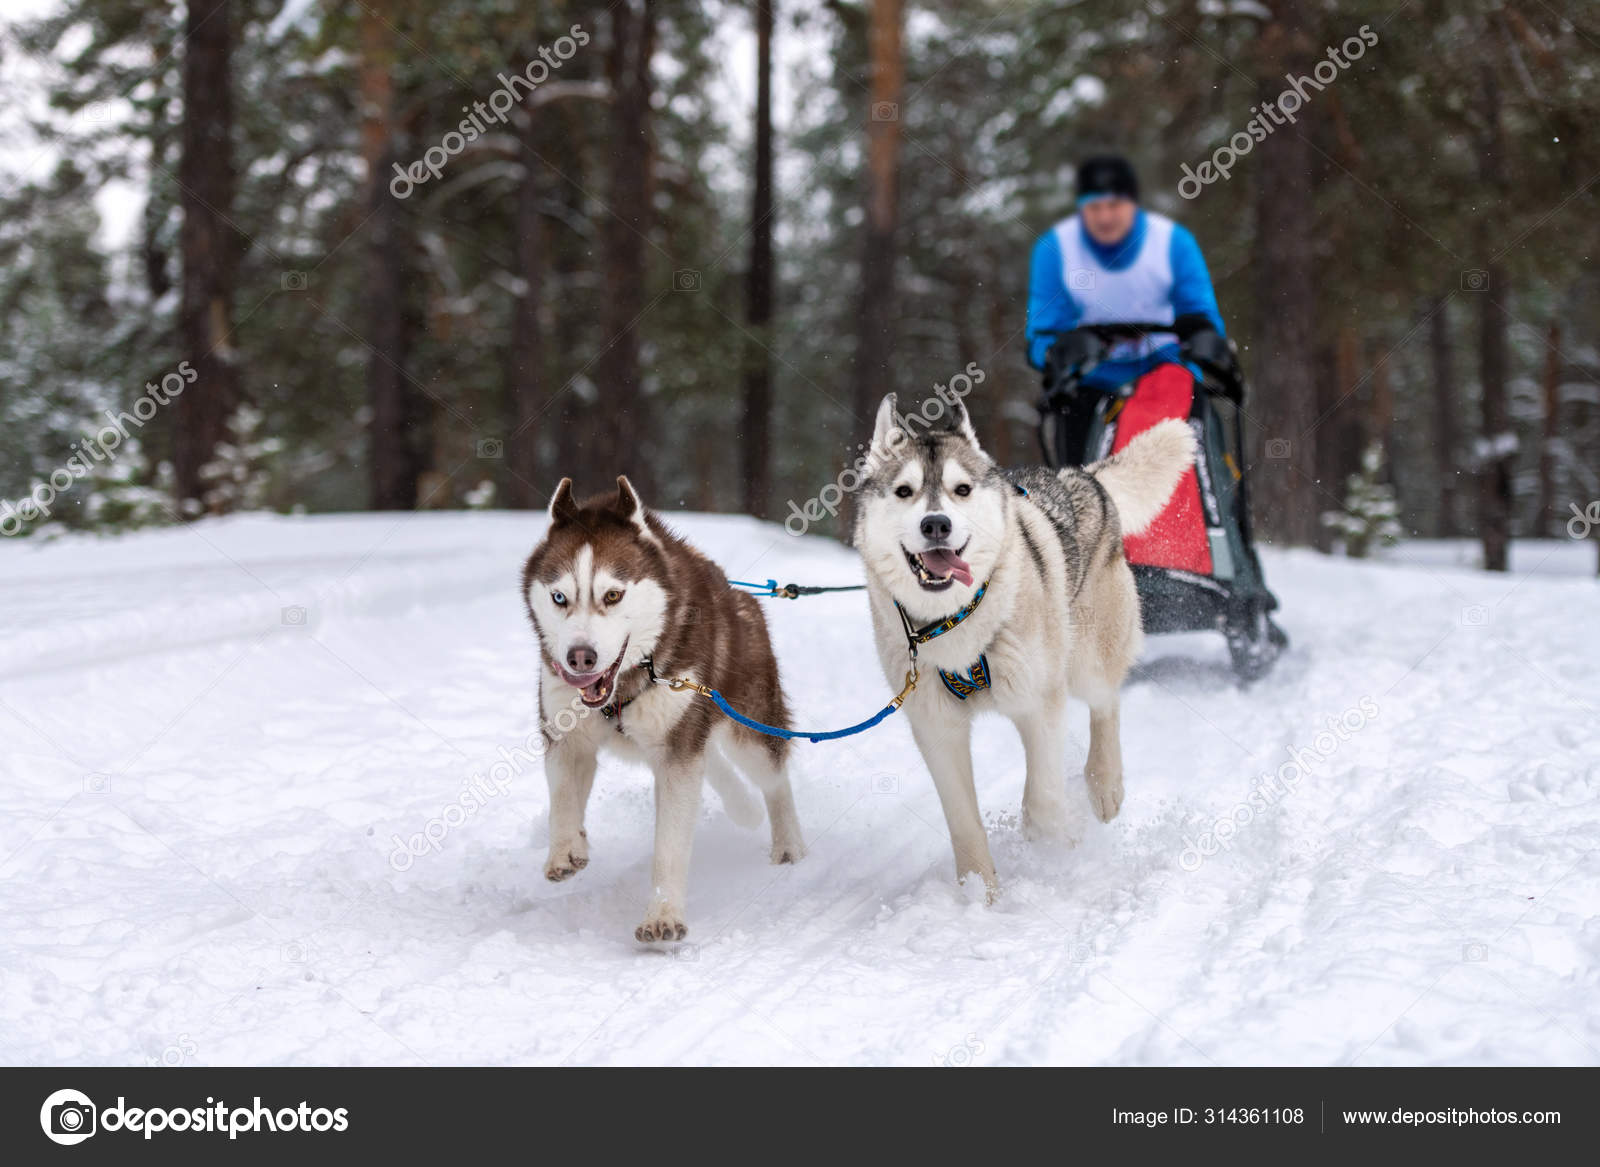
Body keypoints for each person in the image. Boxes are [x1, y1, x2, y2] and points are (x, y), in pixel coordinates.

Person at [1026, 155, 1238, 440]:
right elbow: (1041, 335)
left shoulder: (1173, 242)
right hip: (1091, 379)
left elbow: (1202, 314)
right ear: (1080, 209)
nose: (1104, 217)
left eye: (1114, 205)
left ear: (1133, 204)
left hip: (1166, 370)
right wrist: (1060, 351)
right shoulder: (1055, 249)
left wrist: (1204, 339)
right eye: (1093, 207)